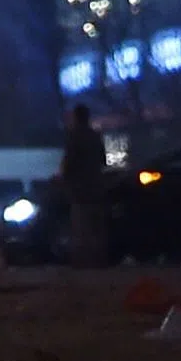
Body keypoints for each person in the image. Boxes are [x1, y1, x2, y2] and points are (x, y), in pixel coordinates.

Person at [59, 102, 112, 269]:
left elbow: (69, 164)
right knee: (97, 226)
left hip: (79, 190)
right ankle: (99, 259)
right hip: (96, 187)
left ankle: (83, 260)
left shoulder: (74, 137)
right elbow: (103, 161)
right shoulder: (95, 137)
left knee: (81, 226)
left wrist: (65, 180)